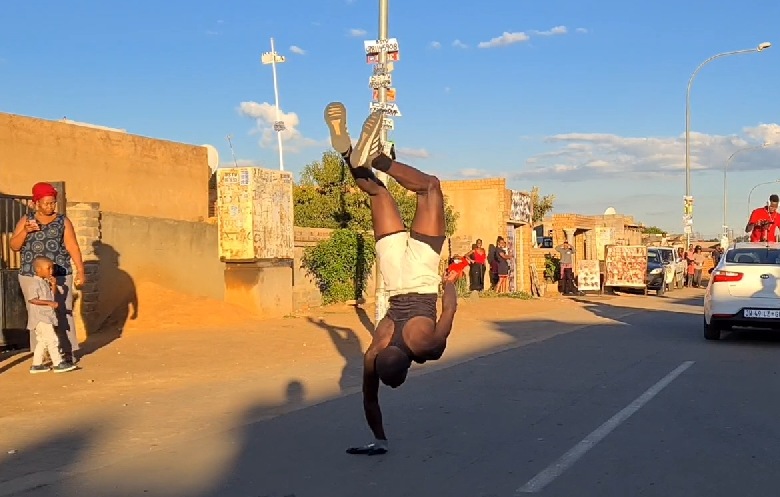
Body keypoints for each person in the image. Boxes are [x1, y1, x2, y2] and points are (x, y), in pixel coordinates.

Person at [324, 102, 458, 456]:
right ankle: (351, 154)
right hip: (393, 271)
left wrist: (450, 282)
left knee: (430, 188)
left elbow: (448, 314)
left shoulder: (426, 346)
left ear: (408, 367)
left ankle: (377, 159)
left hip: (421, 272)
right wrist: (377, 439)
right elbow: (369, 402)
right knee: (378, 193)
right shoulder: (372, 353)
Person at [9, 182, 87, 364]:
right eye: (46, 203)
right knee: (37, 314)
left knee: (63, 312)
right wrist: (25, 232)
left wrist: (80, 271)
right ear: (36, 203)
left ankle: (68, 352)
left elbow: (72, 246)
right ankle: (41, 355)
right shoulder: (26, 220)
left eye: (52, 203)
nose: (50, 206)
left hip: (59, 273)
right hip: (30, 275)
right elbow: (14, 246)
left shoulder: (63, 221)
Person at [27, 257, 78, 374]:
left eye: (52, 268)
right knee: (52, 339)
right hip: (40, 317)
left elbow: (52, 296)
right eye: (48, 268)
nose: (51, 271)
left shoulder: (44, 282)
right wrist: (49, 303)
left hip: (47, 316)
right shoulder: (33, 283)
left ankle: (37, 365)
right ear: (38, 269)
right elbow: (32, 300)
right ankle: (58, 363)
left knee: (42, 341)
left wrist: (54, 285)